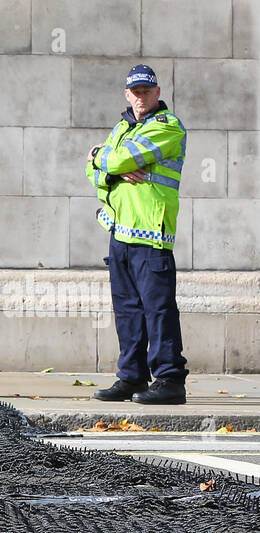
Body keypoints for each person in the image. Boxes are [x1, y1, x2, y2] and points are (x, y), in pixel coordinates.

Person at [86, 64, 189, 405]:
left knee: (158, 310)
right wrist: (108, 168)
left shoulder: (168, 126)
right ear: (127, 94)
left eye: (146, 91)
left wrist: (102, 158)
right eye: (135, 91)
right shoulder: (121, 128)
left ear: (157, 92)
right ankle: (131, 377)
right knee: (128, 311)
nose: (140, 96)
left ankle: (170, 379)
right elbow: (95, 171)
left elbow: (119, 159)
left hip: (152, 234)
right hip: (120, 234)